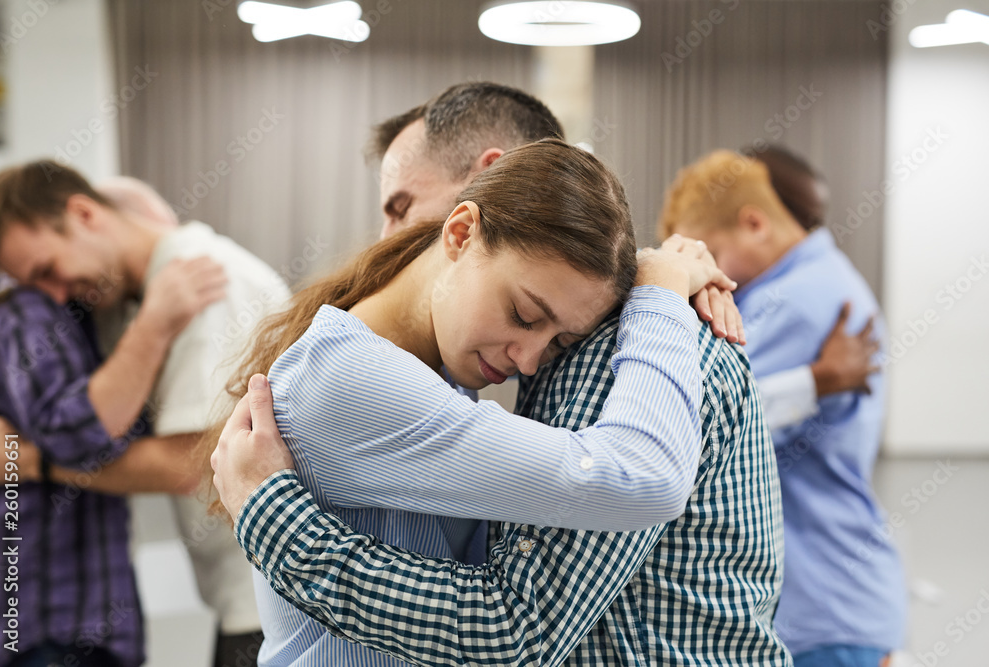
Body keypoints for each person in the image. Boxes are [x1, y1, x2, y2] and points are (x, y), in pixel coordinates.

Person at [210, 138, 795, 665]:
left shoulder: (441, 368)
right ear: (461, 233)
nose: (530, 360)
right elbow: (641, 480)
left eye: (560, 341)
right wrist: (660, 291)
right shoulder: (357, 379)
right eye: (524, 314)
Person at [0, 163, 291, 666]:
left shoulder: (201, 279)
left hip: (274, 596)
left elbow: (191, 464)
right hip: (252, 594)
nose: (55, 296)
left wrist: (27, 460)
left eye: (47, 270)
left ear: (84, 214)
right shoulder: (132, 300)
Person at [658, 149, 907, 667]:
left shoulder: (796, 298)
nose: (708, 277)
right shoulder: (807, 281)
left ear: (754, 224)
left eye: (713, 254)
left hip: (820, 609)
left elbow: (706, 426)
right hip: (832, 604)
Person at [741, 144, 880, 431]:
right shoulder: (827, 272)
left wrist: (816, 382)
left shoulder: (790, 297)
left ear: (754, 221)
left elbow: (718, 417)